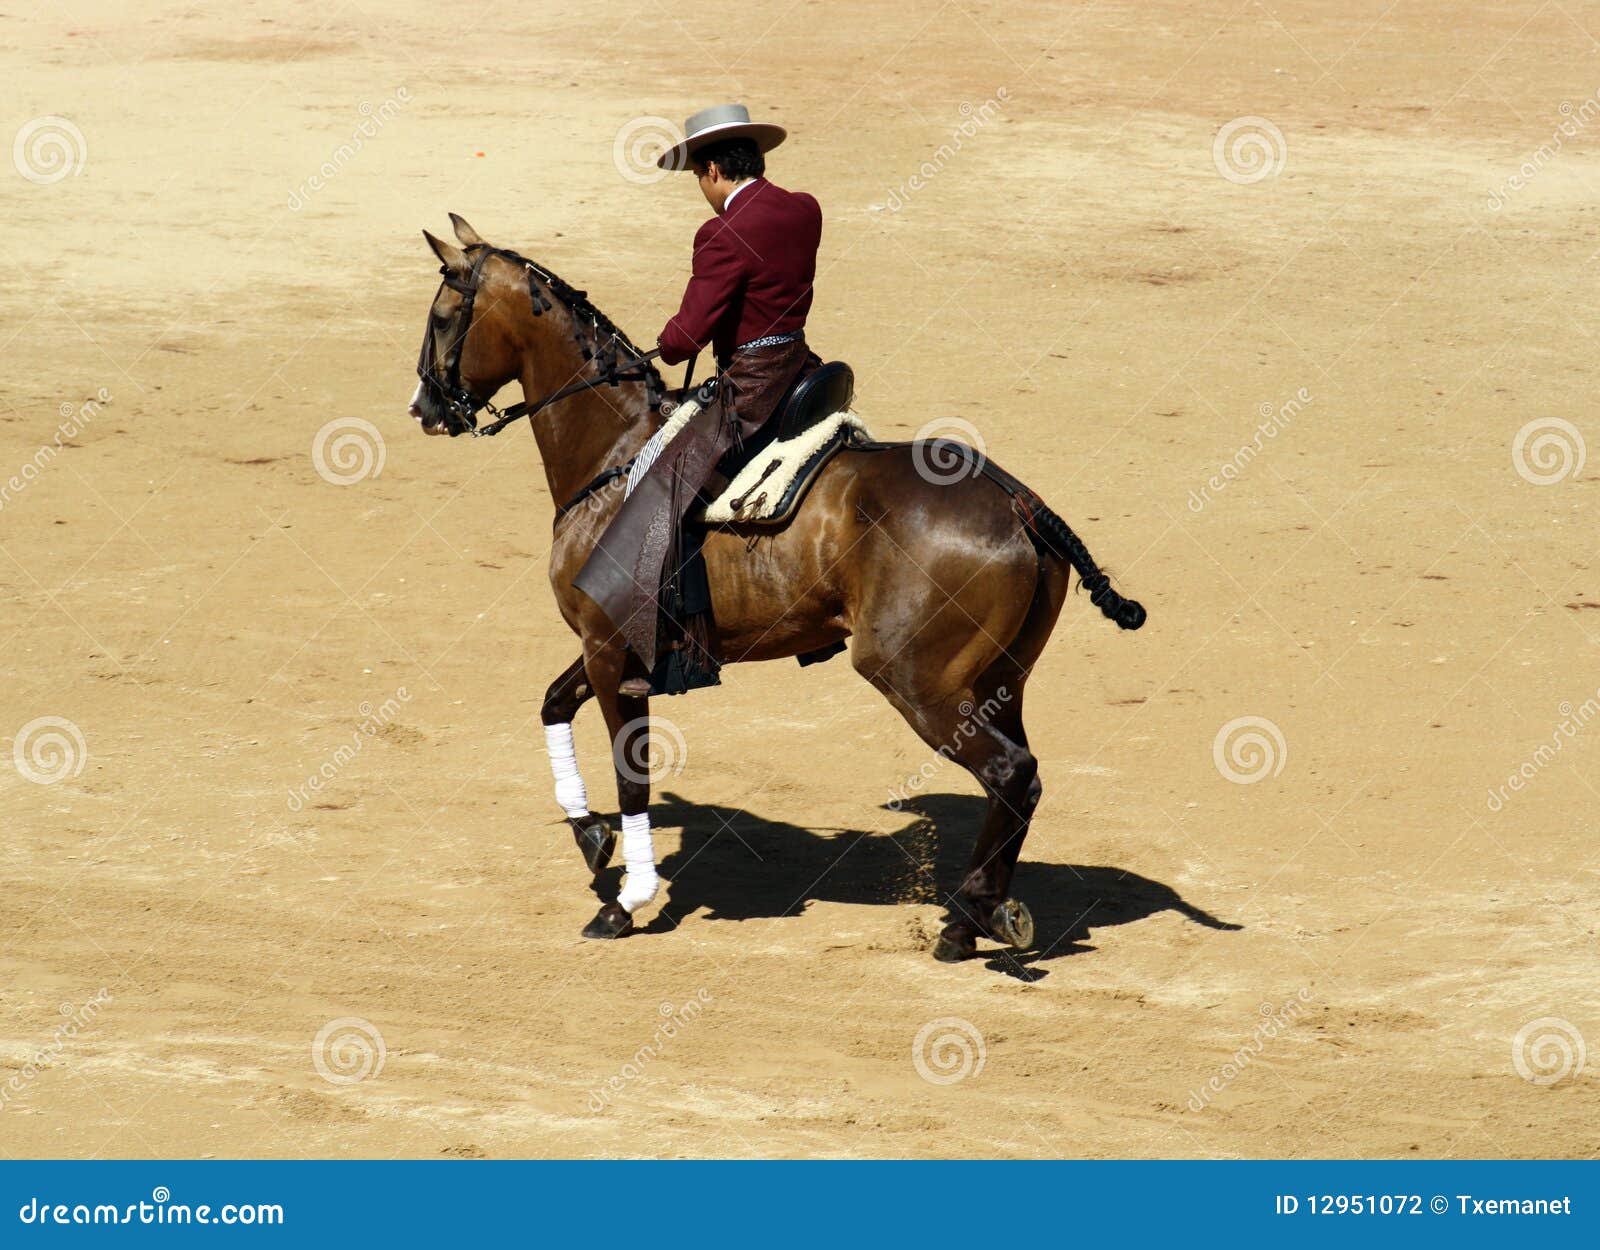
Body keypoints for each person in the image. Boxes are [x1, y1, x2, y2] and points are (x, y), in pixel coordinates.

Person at [573, 104, 823, 696]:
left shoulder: (723, 233)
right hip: (801, 370)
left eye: (696, 179)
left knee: (658, 485)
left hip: (753, 390)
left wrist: (663, 344)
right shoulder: (803, 209)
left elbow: (687, 335)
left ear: (712, 170)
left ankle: (682, 650)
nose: (701, 193)